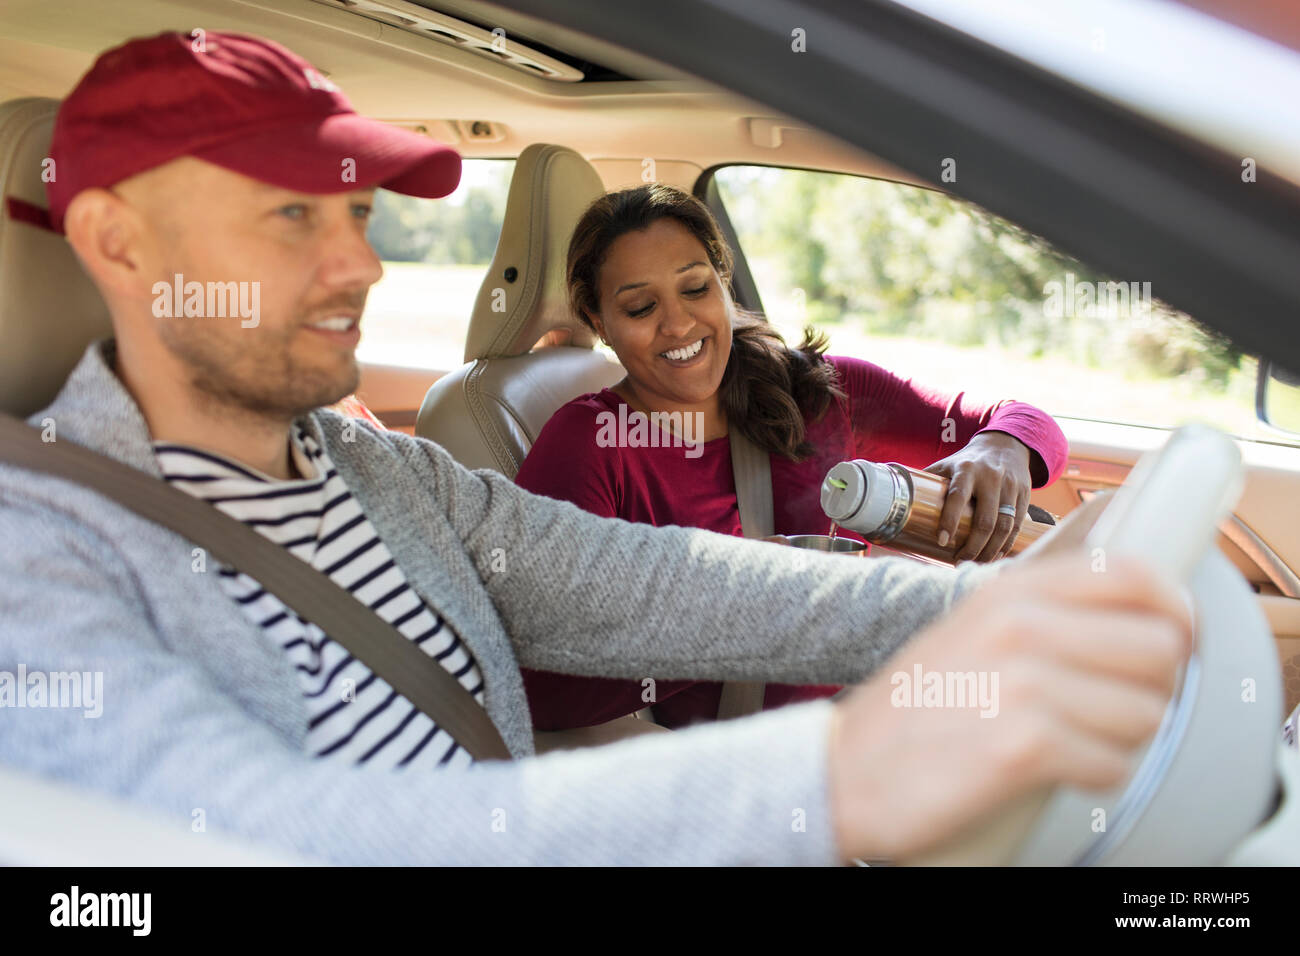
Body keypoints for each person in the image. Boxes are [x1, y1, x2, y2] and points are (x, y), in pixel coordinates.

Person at [0, 30, 1192, 866]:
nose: (361, 262)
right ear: (116, 243)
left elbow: (640, 576)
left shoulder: (370, 464)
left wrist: (970, 614)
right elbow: (250, 832)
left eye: (358, 212)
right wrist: (830, 775)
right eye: (291, 214)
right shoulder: (34, 546)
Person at [515, 184, 1068, 732]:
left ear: (722, 283)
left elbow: (1028, 422)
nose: (678, 325)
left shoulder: (816, 392)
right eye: (640, 306)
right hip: (765, 769)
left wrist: (1000, 447)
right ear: (597, 318)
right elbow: (542, 691)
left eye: (695, 288)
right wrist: (748, 602)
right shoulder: (591, 444)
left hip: (886, 713)